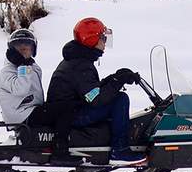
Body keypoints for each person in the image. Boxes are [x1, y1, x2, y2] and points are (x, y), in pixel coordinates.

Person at [45, 17, 143, 163]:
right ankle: (119, 150)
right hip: (71, 115)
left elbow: (91, 90)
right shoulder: (80, 65)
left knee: (115, 97)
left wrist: (114, 77)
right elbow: (94, 98)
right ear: (92, 40)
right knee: (120, 99)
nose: (105, 43)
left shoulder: (79, 59)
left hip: (71, 110)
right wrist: (116, 82)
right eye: (102, 38)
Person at [0, 28, 44, 125]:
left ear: (33, 48)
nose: (23, 48)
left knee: (63, 107)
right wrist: (22, 65)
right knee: (59, 112)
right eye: (18, 45)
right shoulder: (7, 71)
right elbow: (21, 90)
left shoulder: (33, 67)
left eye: (27, 44)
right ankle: (61, 139)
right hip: (19, 115)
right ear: (11, 49)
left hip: (31, 109)